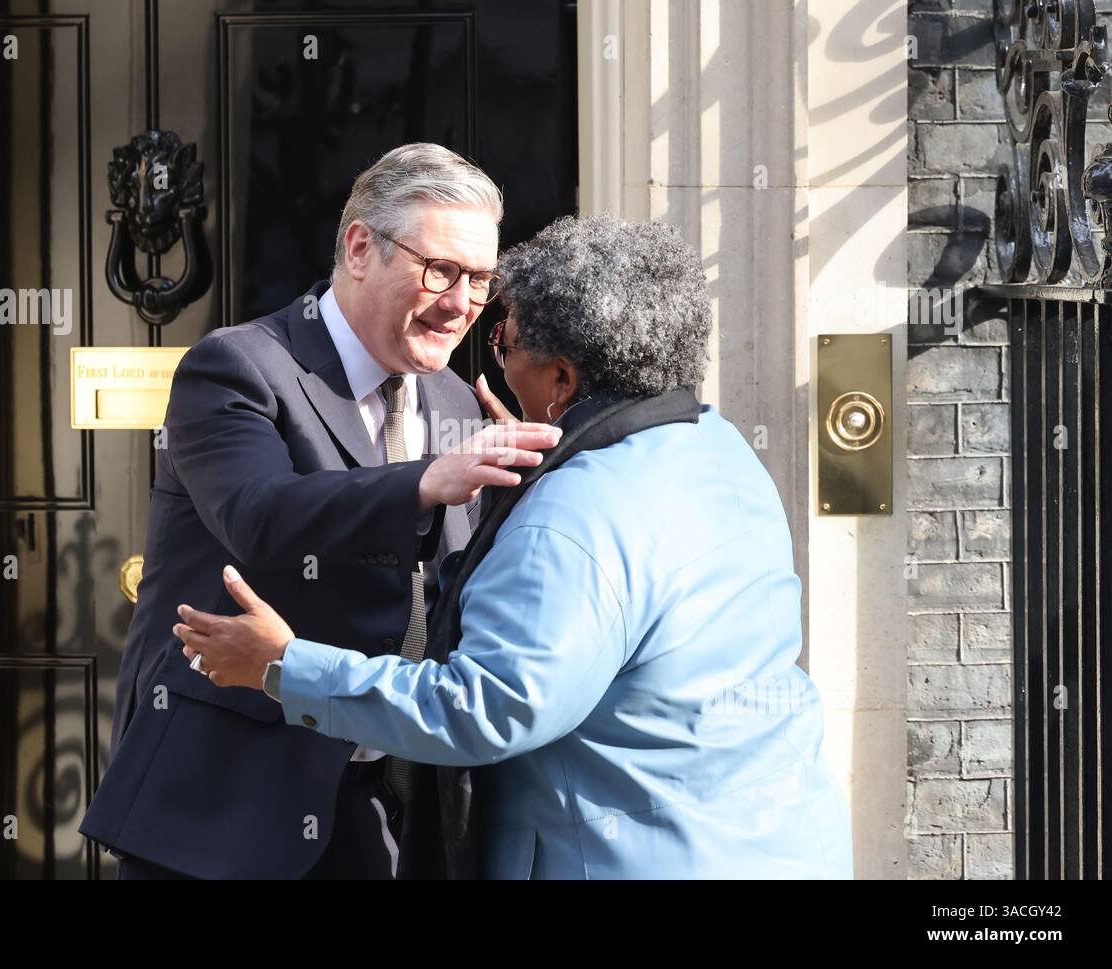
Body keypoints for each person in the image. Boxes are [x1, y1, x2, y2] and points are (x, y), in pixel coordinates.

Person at [174, 213, 855, 879]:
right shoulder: (721, 448)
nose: (490, 355)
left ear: (562, 381)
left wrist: (285, 666)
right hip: (780, 838)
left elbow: (484, 708)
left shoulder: (576, 508)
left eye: (505, 340)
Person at [79, 143, 561, 879]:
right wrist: (426, 479)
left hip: (383, 813)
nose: (463, 302)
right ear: (360, 246)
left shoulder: (459, 403)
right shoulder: (236, 366)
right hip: (224, 806)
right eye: (441, 270)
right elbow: (258, 513)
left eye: (480, 280)